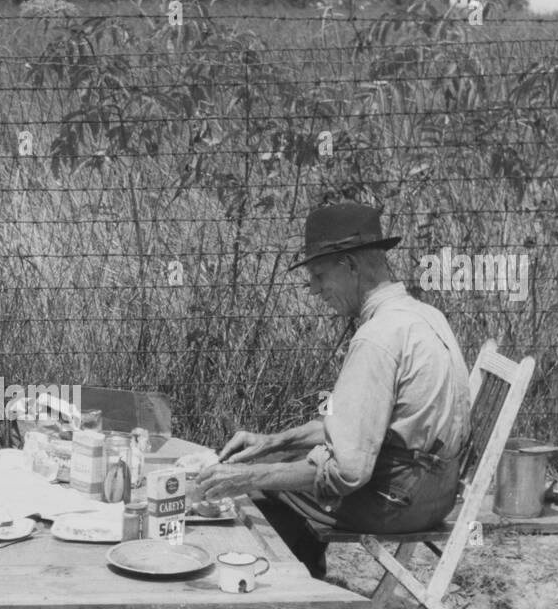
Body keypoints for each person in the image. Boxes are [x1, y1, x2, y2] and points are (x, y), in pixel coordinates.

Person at [195, 202, 471, 579]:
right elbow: (355, 424)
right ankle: (303, 580)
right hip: (436, 492)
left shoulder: (376, 340)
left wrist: (249, 477)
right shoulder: (423, 315)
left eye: (319, 276)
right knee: (285, 462)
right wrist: (274, 441)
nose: (314, 290)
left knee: (264, 491)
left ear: (350, 266)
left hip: (399, 501)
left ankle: (293, 600)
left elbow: (347, 472)